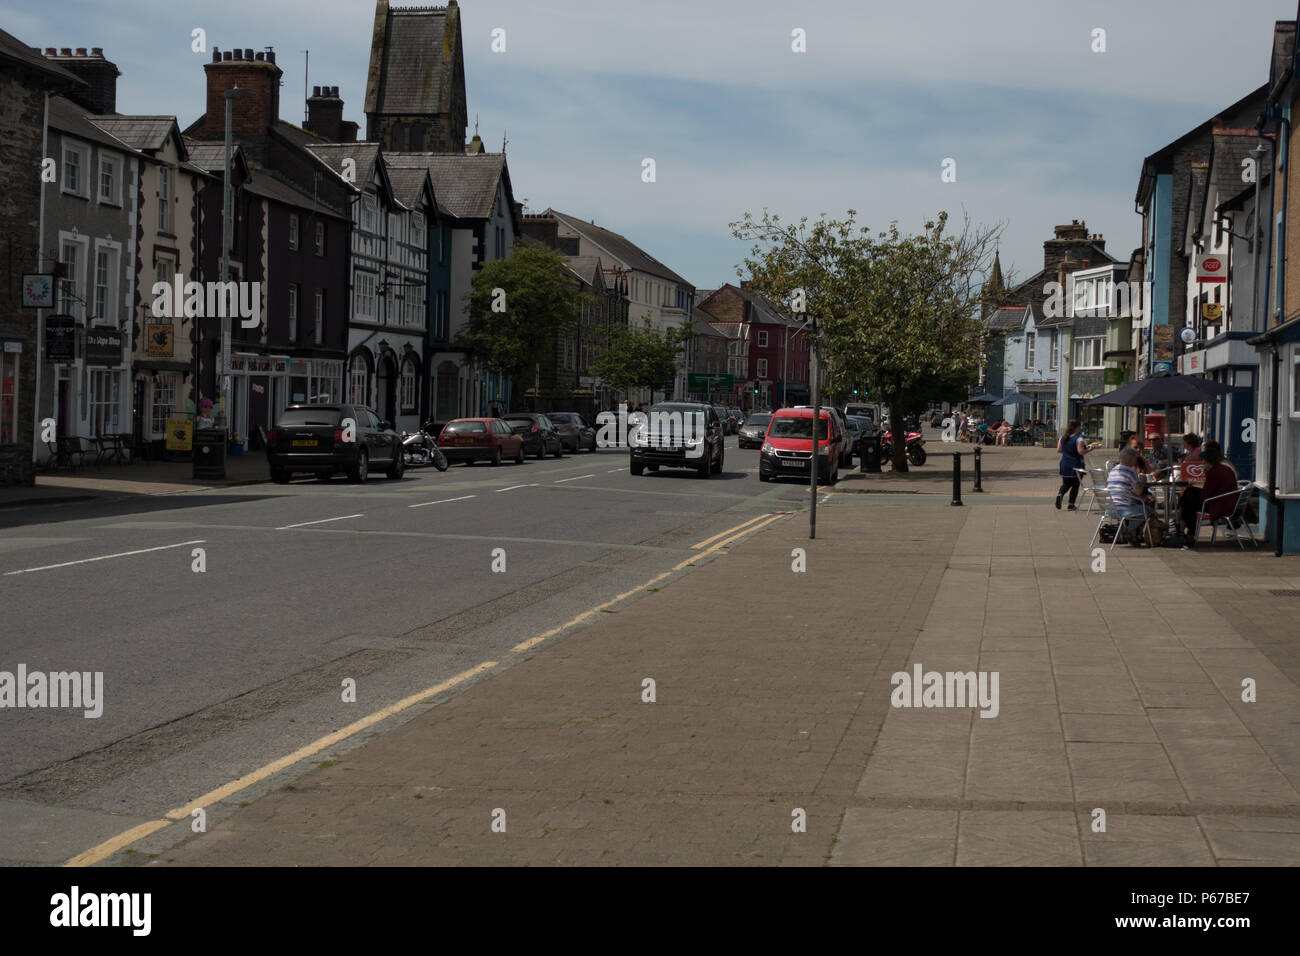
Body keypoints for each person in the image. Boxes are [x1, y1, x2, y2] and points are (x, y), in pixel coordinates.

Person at [1194, 439, 1241, 537]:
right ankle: (1185, 531)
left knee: (1189, 500)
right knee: (1190, 496)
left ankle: (1186, 531)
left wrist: (1207, 474)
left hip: (1222, 502)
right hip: (1229, 499)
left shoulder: (1218, 468)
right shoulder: (1224, 465)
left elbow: (1207, 493)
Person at [1107, 446, 1150, 546]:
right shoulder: (1130, 471)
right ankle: (1127, 531)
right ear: (1131, 459)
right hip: (1124, 509)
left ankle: (1132, 537)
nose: (1136, 461)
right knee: (1149, 511)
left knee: (1136, 505)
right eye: (1135, 459)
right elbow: (1138, 491)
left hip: (1110, 508)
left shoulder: (1113, 470)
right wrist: (1142, 481)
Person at [1055, 419, 1098, 511]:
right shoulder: (1079, 438)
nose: (1080, 429)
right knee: (1075, 485)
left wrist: (1068, 450)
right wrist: (1090, 449)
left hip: (1065, 463)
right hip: (1076, 464)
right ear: (1077, 428)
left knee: (1066, 483)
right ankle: (1071, 504)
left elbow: (1059, 450)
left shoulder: (1063, 437)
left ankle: (1060, 494)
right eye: (1079, 427)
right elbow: (1080, 451)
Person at [1177, 433, 1206, 535]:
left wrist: (1183, 462)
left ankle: (1182, 527)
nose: (1183, 444)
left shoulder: (1196, 452)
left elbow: (1187, 463)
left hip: (1197, 487)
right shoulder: (1190, 452)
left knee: (1186, 501)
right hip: (1195, 487)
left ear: (1188, 442)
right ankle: (1181, 527)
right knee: (1185, 499)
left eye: (1184, 442)